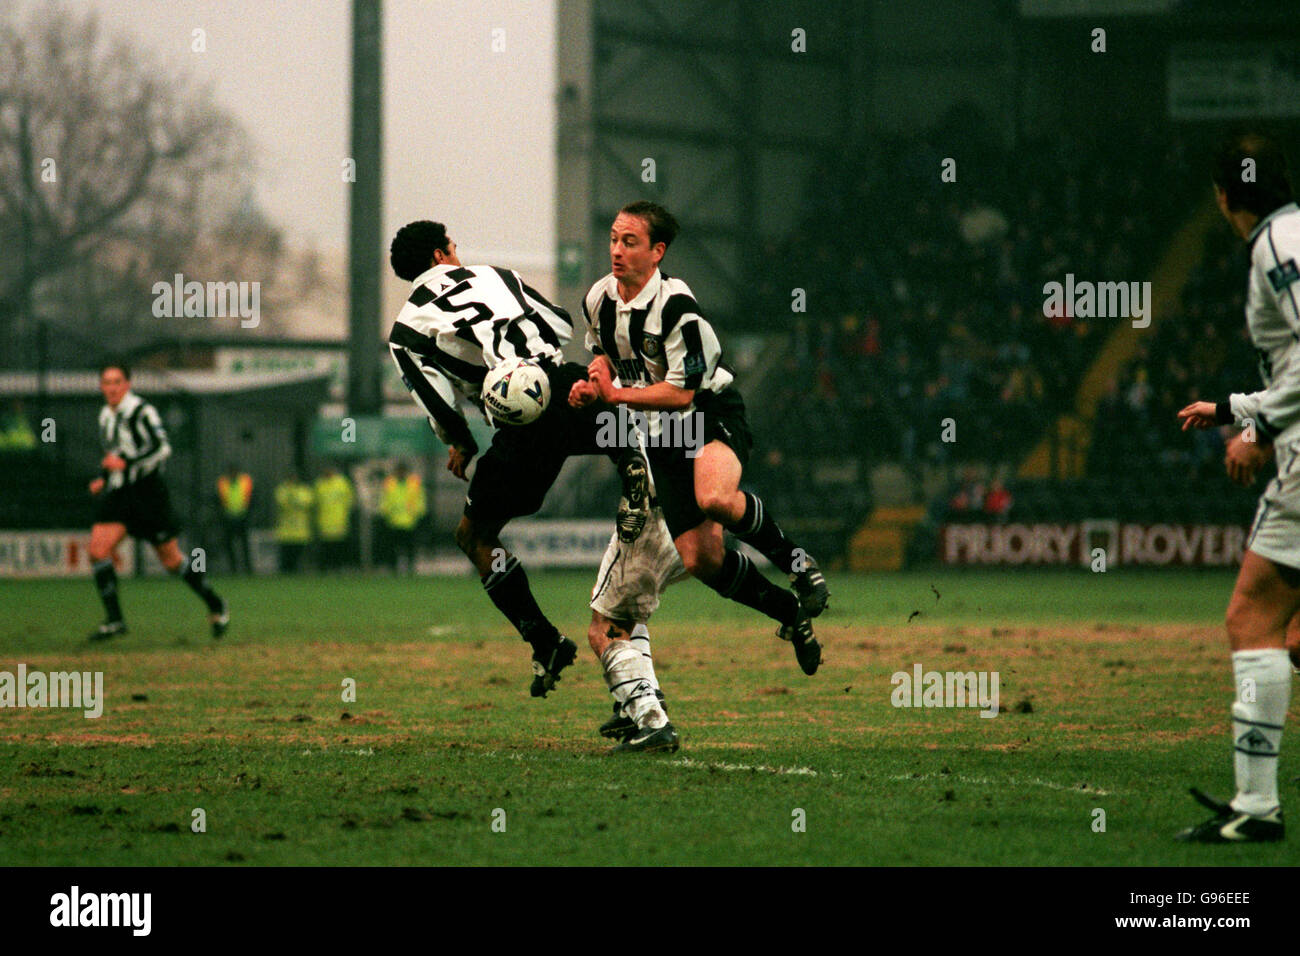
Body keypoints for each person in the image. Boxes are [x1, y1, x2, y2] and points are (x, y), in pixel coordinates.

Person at [569, 200, 829, 675]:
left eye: (630, 242)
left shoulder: (677, 309)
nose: (617, 250)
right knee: (699, 560)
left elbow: (680, 393)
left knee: (714, 497)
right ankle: (789, 614)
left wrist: (617, 395)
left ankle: (798, 563)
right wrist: (593, 381)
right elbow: (604, 355)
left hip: (706, 412)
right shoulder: (598, 300)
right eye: (613, 239)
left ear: (657, 252)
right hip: (661, 437)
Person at [387, 219, 616, 697]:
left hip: (521, 425)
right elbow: (559, 321)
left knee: (474, 536)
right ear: (437, 255)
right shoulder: (496, 275)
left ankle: (544, 640)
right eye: (452, 245)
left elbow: (433, 397)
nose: (457, 251)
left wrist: (462, 442)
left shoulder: (405, 329)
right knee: (653, 441)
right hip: (568, 385)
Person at [1176, 131, 1300, 843]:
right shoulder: (1293, 231)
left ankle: (1256, 808)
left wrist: (1258, 430)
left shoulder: (1275, 246)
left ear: (1224, 198)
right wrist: (1235, 409)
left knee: (1251, 619)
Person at [86, 364, 228, 641]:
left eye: (117, 382)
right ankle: (115, 620)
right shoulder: (105, 414)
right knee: (97, 550)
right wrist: (104, 477)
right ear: (101, 386)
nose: (112, 387)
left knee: (172, 561)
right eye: (106, 382)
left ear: (127, 384)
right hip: (120, 494)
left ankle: (215, 602)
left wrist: (125, 463)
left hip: (148, 494)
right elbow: (116, 453)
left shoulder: (142, 411)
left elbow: (162, 448)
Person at [379, 462, 425, 575]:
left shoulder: (414, 483)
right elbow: (384, 500)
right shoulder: (389, 483)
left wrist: (418, 513)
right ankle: (394, 569)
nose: (400, 473)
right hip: (393, 521)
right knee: (393, 548)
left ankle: (410, 569)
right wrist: (385, 512)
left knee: (409, 549)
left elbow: (421, 499)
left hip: (410, 521)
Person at [315, 463, 355, 571]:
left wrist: (345, 514)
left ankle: (338, 567)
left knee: (339, 546)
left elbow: (350, 500)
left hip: (339, 520)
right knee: (326, 547)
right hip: (324, 521)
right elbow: (315, 502)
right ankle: (325, 568)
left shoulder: (342, 483)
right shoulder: (319, 484)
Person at [273, 471, 314, 574]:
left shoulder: (305, 490)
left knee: (298, 555)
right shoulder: (282, 489)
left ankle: (297, 572)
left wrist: (293, 499)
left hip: (301, 531)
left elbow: (307, 503)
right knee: (286, 556)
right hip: (286, 531)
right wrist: (294, 498)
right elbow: (281, 502)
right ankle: (285, 573)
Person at [216, 463, 253, 575]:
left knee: (244, 545)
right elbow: (219, 499)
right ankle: (233, 568)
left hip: (243, 516)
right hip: (228, 517)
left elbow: (252, 497)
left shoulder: (245, 480)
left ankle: (248, 568)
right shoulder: (222, 482)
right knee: (230, 545)